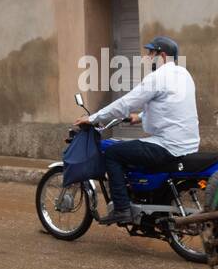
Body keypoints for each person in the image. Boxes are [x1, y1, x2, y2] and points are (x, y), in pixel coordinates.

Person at [76, 36, 199, 226]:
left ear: (163, 55)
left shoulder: (157, 77)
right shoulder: (184, 75)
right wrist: (140, 116)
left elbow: (124, 104)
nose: (147, 57)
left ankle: (122, 209)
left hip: (168, 146)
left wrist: (92, 118)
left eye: (151, 53)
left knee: (112, 153)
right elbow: (170, 106)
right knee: (133, 151)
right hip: (188, 144)